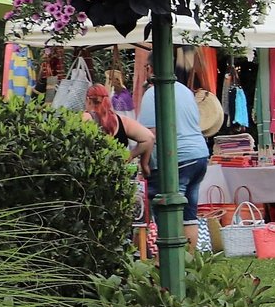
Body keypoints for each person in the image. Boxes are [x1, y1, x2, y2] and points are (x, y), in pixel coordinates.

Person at [137, 56, 212, 228]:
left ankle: (169, 246)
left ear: (149, 68)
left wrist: (144, 163)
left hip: (176, 160)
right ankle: (190, 247)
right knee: (189, 215)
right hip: (199, 155)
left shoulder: (153, 93)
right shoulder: (185, 91)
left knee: (168, 213)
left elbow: (150, 135)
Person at [83, 83, 154, 167]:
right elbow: (149, 138)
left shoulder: (86, 118)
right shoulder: (121, 121)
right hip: (117, 172)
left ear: (88, 100)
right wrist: (133, 157)